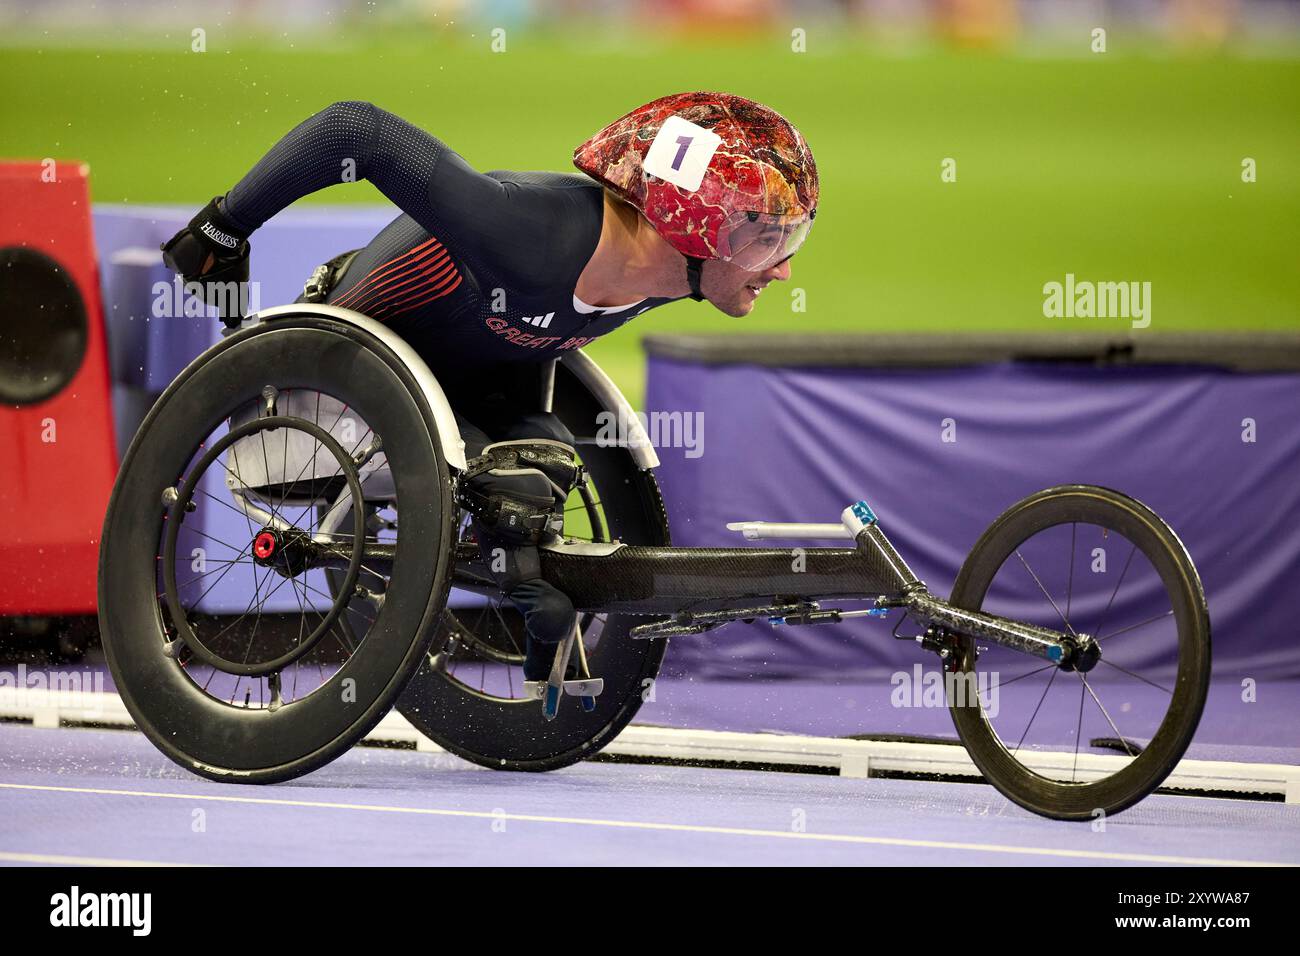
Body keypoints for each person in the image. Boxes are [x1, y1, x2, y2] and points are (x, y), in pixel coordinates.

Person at [160, 90, 819, 700]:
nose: (783, 267)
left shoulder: (666, 269)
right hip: (337, 390)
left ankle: (529, 592)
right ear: (691, 229)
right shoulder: (532, 236)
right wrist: (225, 227)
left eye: (786, 238)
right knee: (512, 485)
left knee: (545, 475)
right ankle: (520, 573)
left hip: (478, 373)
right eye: (766, 239)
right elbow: (354, 130)